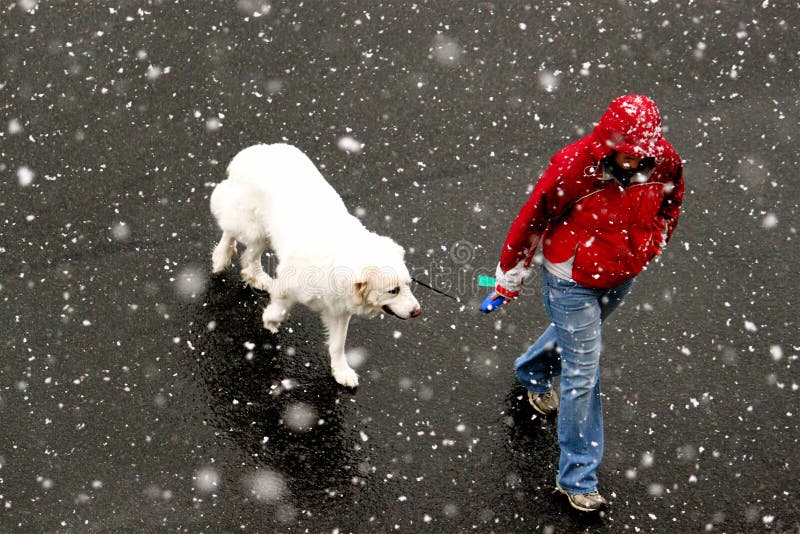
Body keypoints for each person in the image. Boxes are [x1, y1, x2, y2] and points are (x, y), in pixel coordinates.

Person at [483, 94, 684, 512]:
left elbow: (670, 201)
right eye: (624, 155)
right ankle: (577, 478)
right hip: (570, 281)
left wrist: (652, 243)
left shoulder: (663, 160)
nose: (632, 163)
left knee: (577, 345)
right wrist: (509, 279)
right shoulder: (574, 167)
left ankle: (533, 370)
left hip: (621, 273)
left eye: (640, 155)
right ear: (609, 143)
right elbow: (532, 220)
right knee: (583, 374)